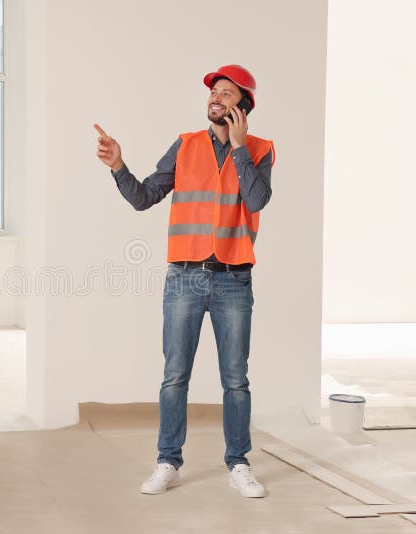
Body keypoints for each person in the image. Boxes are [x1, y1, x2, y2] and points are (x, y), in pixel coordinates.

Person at [94, 65, 275, 498]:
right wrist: (119, 166)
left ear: (243, 105)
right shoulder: (186, 145)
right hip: (185, 279)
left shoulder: (260, 149)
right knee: (175, 376)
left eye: (227, 92)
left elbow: (257, 199)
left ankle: (239, 463)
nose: (216, 97)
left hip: (234, 279)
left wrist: (238, 148)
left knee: (236, 379)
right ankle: (168, 461)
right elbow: (144, 197)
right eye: (214, 91)